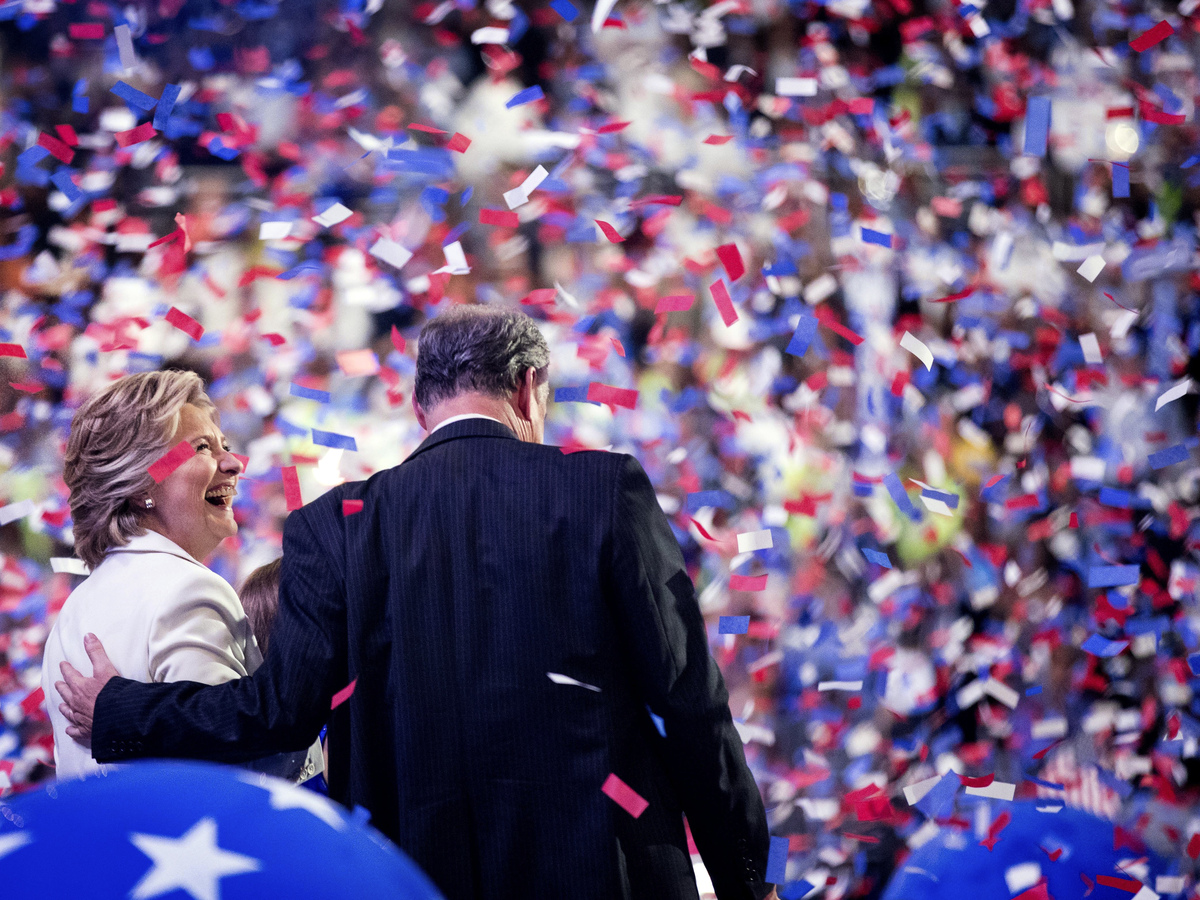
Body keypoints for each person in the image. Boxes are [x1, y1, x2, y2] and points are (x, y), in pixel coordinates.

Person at [56, 305, 776, 900]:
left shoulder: (336, 527)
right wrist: (746, 877)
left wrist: (121, 707)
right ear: (529, 388)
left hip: (412, 881)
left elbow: (274, 713)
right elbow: (689, 706)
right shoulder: (602, 491)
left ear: (418, 404)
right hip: (598, 875)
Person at [40, 370, 255, 778]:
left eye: (224, 446)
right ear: (142, 485)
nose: (232, 463)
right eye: (202, 448)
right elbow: (226, 770)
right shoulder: (189, 589)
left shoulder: (73, 610)